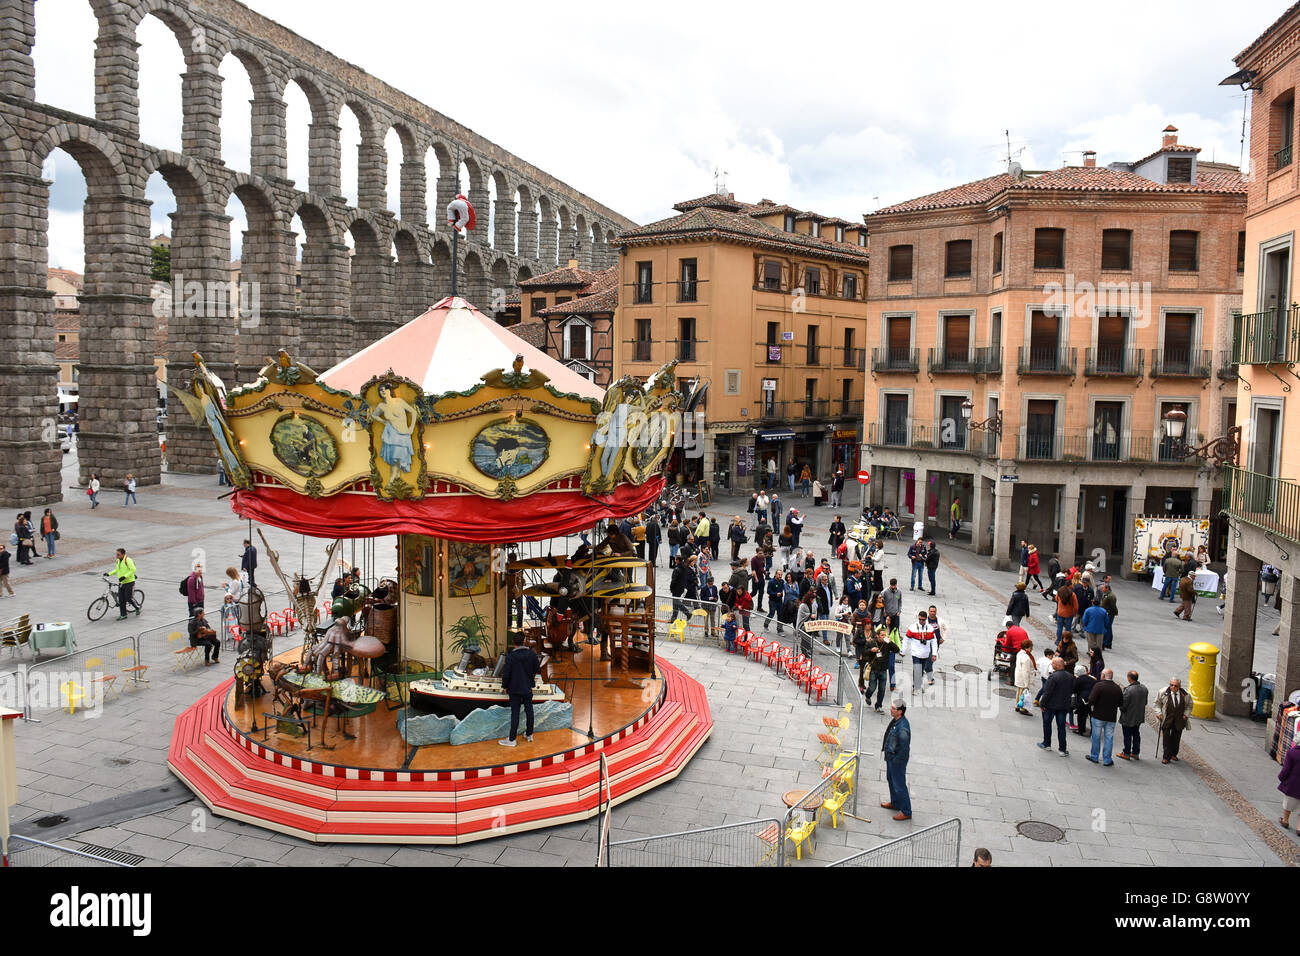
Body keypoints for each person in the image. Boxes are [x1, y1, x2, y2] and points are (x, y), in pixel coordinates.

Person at [498, 631, 541, 747]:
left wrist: (505, 686)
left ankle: (512, 739)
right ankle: (529, 734)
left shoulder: (511, 656)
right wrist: (530, 677)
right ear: (525, 641)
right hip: (527, 687)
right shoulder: (531, 654)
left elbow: (506, 674)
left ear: (513, 643)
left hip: (514, 689)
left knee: (515, 713)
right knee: (529, 711)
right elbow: (537, 668)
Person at [881, 699, 912, 820]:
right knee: (891, 780)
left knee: (899, 785)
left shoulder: (903, 729)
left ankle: (906, 811)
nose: (890, 709)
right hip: (891, 757)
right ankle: (895, 803)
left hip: (896, 761)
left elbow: (904, 749)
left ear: (900, 712)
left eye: (893, 708)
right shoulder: (896, 721)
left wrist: (895, 761)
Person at [1086, 668, 1124, 766]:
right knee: (1109, 738)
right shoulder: (1117, 688)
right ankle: (1107, 759)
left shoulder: (1099, 685)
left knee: (1096, 737)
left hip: (1098, 715)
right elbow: (1121, 703)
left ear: (1103, 676)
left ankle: (1094, 756)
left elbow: (1091, 700)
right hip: (1111, 716)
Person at [1037, 657, 1074, 756]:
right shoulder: (1070, 676)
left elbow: (1047, 692)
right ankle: (1062, 749)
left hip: (1051, 705)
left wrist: (1042, 703)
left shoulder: (1053, 677)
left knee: (1047, 723)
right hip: (1063, 705)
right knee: (1061, 727)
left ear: (1058, 665)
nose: (1052, 665)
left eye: (1053, 664)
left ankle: (1047, 743)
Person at [1155, 677, 1192, 764]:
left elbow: (1189, 706)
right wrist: (1159, 713)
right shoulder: (1163, 692)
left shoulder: (1185, 695)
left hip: (1179, 720)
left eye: (1175, 686)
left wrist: (1186, 715)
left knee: (1176, 738)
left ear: (1179, 686)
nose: (1173, 687)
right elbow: (1157, 703)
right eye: (1171, 685)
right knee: (1166, 738)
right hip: (1167, 719)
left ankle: (1173, 754)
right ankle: (1166, 756)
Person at [904, 610, 937, 693]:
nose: (921, 621)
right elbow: (906, 639)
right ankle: (915, 686)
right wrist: (903, 651)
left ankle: (918, 683)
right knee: (917, 669)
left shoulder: (930, 628)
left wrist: (934, 654)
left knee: (921, 670)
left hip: (925, 654)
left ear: (926, 619)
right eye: (920, 619)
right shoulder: (912, 627)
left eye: (923, 620)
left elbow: (934, 642)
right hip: (915, 653)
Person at [1118, 670, 1148, 761]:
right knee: (1136, 734)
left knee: (1127, 735)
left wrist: (1122, 709)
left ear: (1129, 678)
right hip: (1138, 717)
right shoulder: (1144, 688)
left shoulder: (1129, 690)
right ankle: (1135, 752)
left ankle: (1126, 752)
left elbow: (1123, 704)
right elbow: (1145, 702)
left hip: (1128, 716)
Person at [109, 547, 138, 620]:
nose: (116, 556)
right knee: (121, 600)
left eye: (118, 555)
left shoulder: (128, 560)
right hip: (122, 583)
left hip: (129, 582)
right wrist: (109, 574)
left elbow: (133, 569)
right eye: (116, 554)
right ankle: (123, 615)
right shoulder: (118, 561)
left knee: (129, 598)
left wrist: (125, 576)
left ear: (123, 554)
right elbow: (117, 570)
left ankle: (137, 607)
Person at [1278, 741, 1300, 834]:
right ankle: (1299, 827)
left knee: (1288, 803)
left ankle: (1285, 820)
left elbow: (1286, 769)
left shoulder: (1292, 753)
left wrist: (1281, 778)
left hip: (1292, 785)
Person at [1013, 638, 1036, 715]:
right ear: (1027, 648)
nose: (1031, 649)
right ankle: (1022, 708)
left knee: (1019, 691)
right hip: (1023, 678)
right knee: (1023, 693)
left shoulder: (1019, 653)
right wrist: (1027, 684)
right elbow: (1025, 671)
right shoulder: (1026, 658)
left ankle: (1017, 705)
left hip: (1019, 676)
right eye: (1030, 648)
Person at [1071, 663, 1095, 735]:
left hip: (1083, 700)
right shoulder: (1092, 679)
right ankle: (1093, 731)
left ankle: (1081, 730)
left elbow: (1074, 689)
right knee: (1091, 716)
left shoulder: (1078, 680)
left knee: (1081, 715)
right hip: (1092, 699)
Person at [1099, 583, 1118, 649]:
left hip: (1109, 614)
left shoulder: (1111, 596)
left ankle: (1107, 643)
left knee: (1107, 628)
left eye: (1103, 588)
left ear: (1107, 588)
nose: (1102, 589)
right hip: (1106, 613)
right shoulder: (1106, 594)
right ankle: (1107, 643)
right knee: (1108, 627)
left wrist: (1115, 612)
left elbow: (1113, 606)